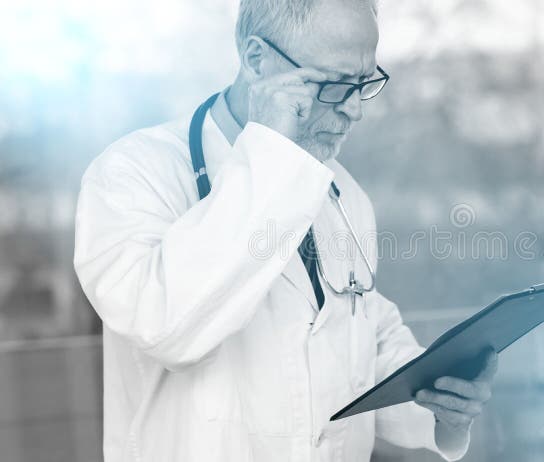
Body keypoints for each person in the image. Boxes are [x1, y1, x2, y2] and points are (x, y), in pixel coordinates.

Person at [73, 0, 497, 460]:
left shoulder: (342, 192)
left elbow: (361, 339)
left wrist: (437, 398)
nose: (354, 110)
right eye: (333, 84)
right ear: (257, 60)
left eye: (363, 83)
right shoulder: (132, 174)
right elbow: (168, 328)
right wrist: (272, 153)